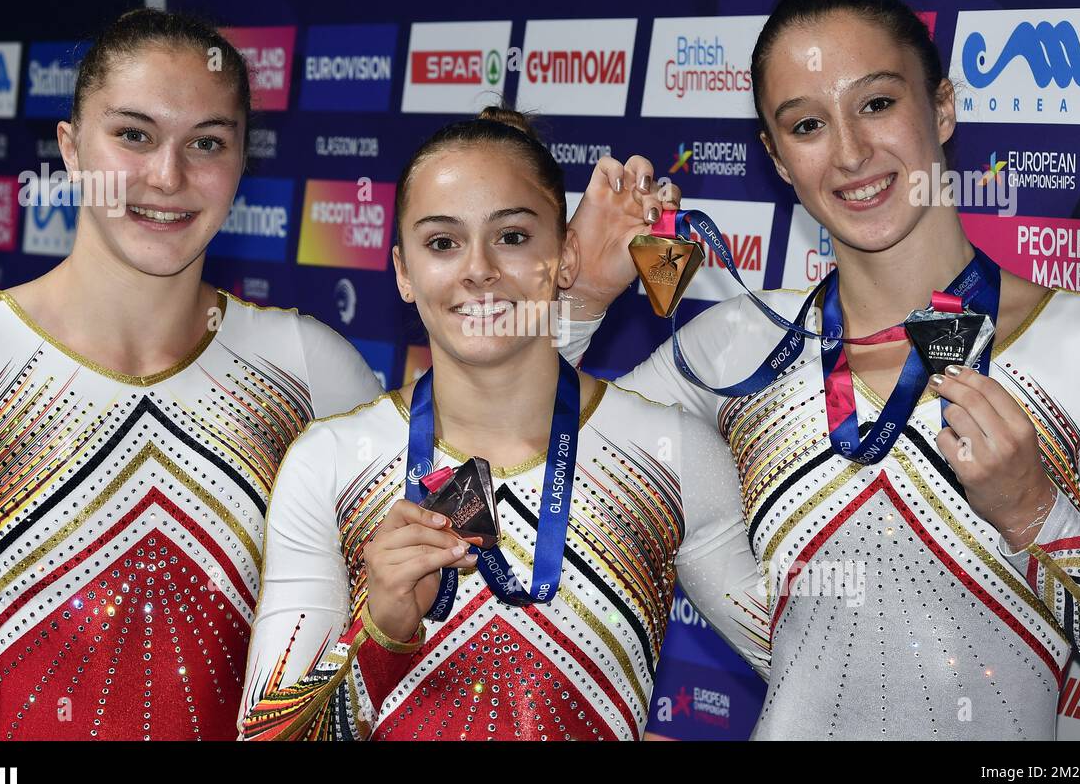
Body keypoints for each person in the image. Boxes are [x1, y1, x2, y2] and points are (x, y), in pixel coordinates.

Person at [562, 0, 1080, 739]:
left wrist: (1035, 512)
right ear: (777, 158)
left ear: (941, 107)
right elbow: (497, 459)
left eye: (877, 103)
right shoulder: (736, 347)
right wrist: (576, 300)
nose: (849, 153)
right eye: (807, 124)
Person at [0, 8, 382, 741]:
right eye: (134, 135)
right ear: (72, 150)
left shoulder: (309, 369)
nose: (167, 177)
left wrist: (569, 313)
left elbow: (405, 647)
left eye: (206, 142)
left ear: (241, 163)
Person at [237, 107, 769, 740]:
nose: (478, 268)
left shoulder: (674, 455)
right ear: (404, 272)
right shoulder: (327, 464)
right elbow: (265, 736)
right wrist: (381, 632)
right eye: (442, 242)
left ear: (567, 257)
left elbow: (822, 667)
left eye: (513, 236)